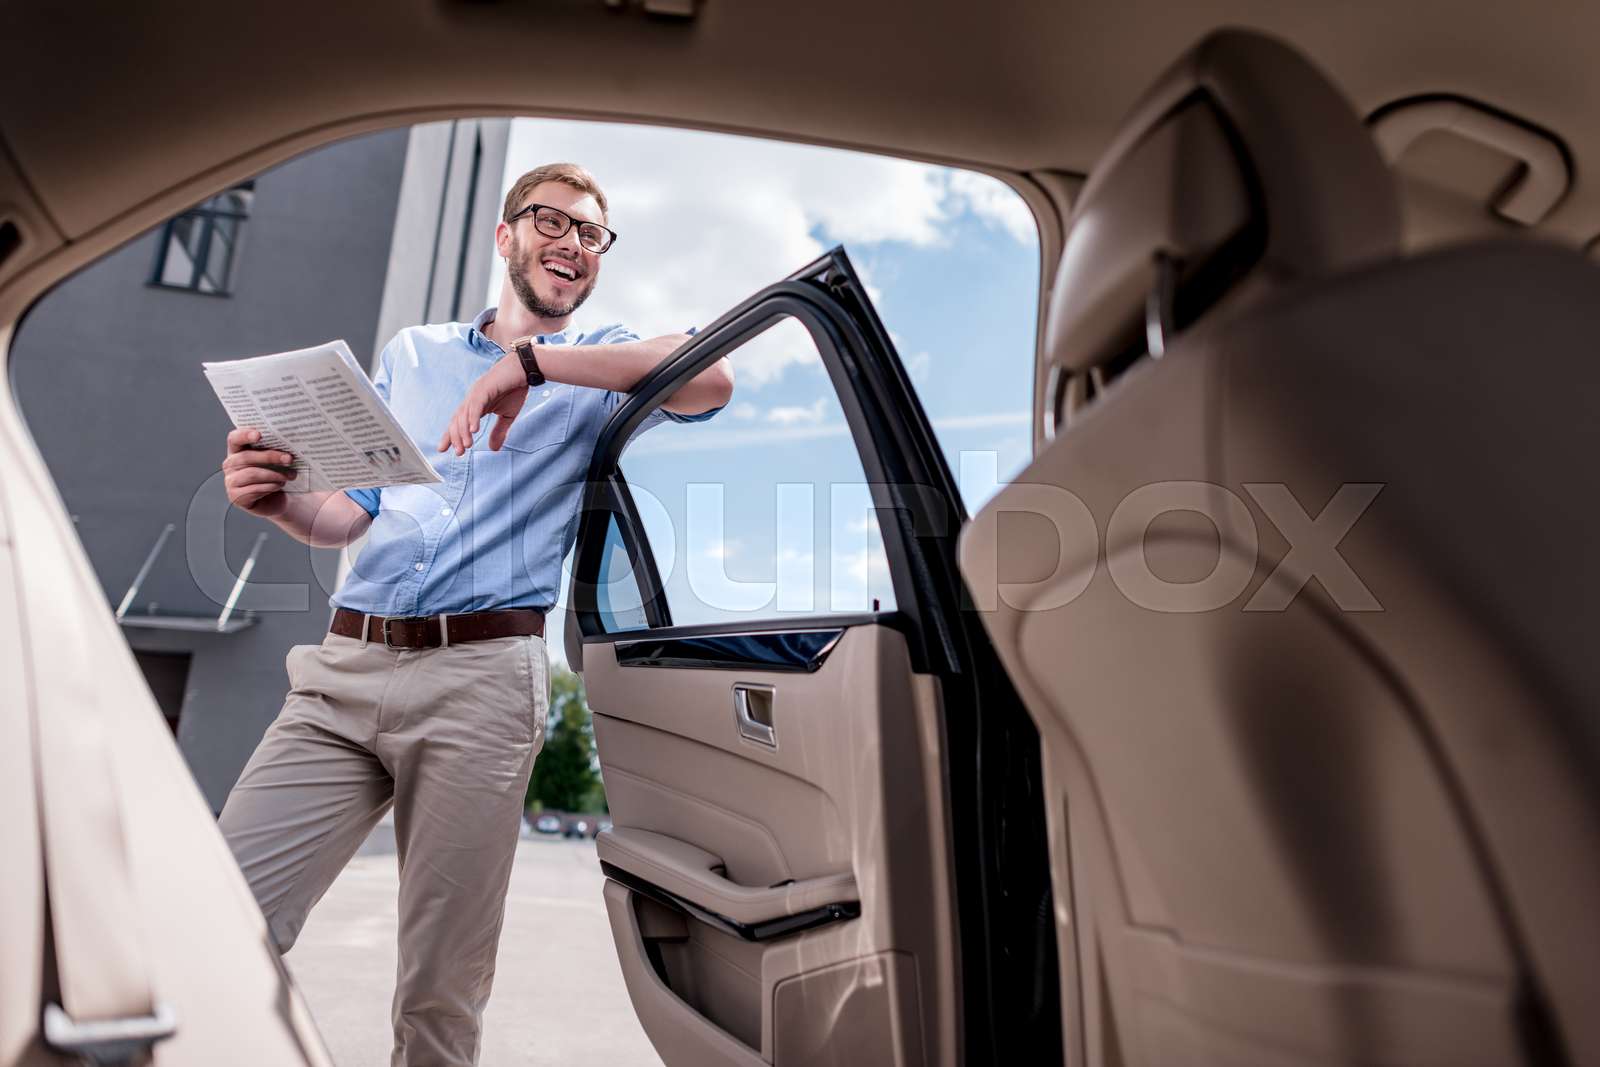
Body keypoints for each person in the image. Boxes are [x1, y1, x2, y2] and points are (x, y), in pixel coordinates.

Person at [215, 162, 732, 1066]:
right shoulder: (413, 355)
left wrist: (532, 365)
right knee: (216, 916)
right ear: (506, 237)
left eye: (591, 233)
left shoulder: (600, 360)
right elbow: (353, 512)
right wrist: (279, 502)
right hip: (342, 671)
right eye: (553, 222)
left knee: (438, 994)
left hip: (480, 686)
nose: (573, 243)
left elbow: (712, 377)